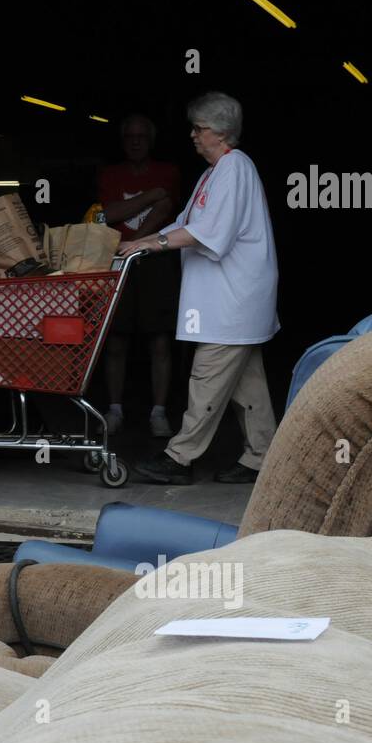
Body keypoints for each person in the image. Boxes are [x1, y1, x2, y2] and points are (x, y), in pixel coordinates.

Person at [120, 92, 279, 485]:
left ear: (221, 133)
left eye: (199, 128)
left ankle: (180, 457)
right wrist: (144, 241)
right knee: (248, 386)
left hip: (232, 302)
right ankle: (263, 456)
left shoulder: (234, 169)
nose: (192, 135)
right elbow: (184, 222)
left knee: (206, 379)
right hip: (232, 303)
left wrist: (150, 244)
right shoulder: (215, 172)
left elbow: (211, 233)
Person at [86, 113, 181, 436]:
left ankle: (158, 413)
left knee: (160, 340)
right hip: (116, 263)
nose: (136, 141)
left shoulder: (168, 171)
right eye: (130, 137)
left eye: (142, 136)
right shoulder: (110, 174)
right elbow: (104, 216)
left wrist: (136, 242)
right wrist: (151, 196)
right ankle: (115, 411)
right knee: (115, 340)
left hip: (156, 263)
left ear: (151, 140)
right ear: (123, 141)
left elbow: (166, 208)